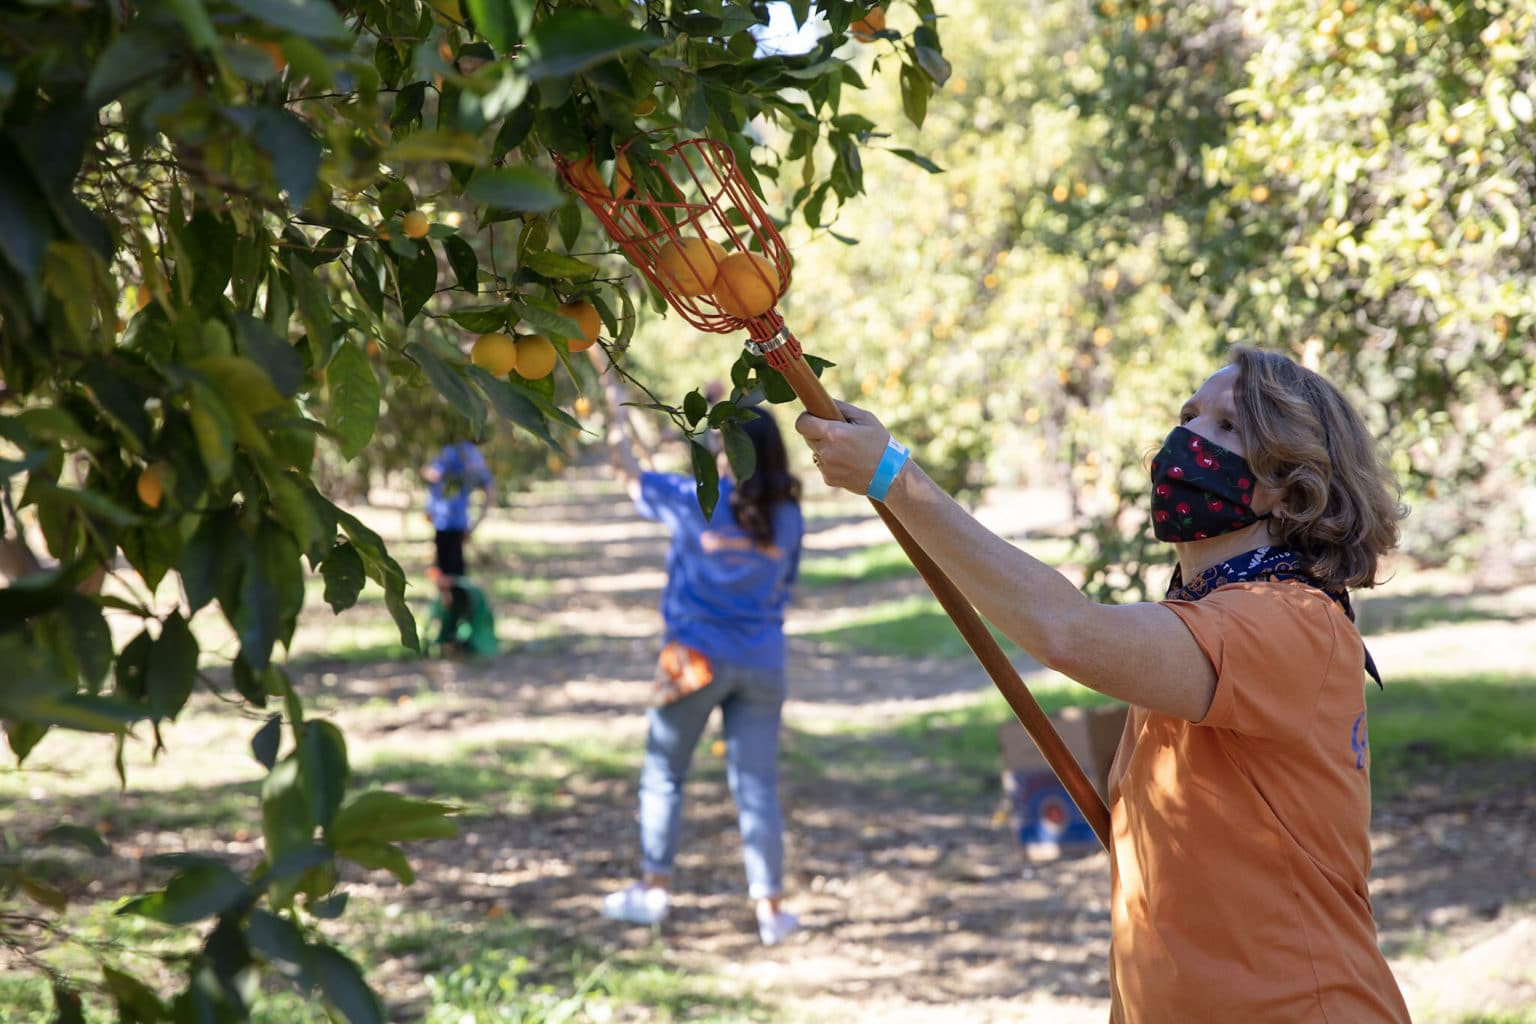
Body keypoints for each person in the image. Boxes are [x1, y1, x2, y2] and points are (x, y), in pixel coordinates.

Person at [794, 346, 1412, 1022]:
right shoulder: (1201, 619)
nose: (1187, 437)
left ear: (1289, 489)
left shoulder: (1288, 623)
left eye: (1226, 427)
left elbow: (1068, 632)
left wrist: (894, 477)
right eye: (1188, 415)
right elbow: (1155, 897)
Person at [599, 374, 806, 946]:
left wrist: (613, 397)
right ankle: (771, 909)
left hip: (692, 658)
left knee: (665, 773)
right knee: (756, 785)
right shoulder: (788, 516)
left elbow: (626, 471)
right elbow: (788, 586)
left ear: (726, 451)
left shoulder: (695, 500)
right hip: (762, 661)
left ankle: (654, 888)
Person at [422, 436, 493, 654]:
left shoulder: (450, 453)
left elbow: (431, 474)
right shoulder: (471, 455)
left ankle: (450, 632)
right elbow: (490, 489)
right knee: (455, 579)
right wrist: (476, 522)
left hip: (446, 525)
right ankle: (454, 632)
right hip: (457, 525)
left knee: (448, 581)